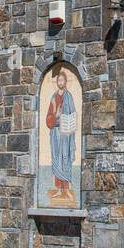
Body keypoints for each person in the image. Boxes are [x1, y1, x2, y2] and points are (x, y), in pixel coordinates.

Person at [45, 70, 78, 204]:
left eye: (63, 80)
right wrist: (55, 115)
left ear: (65, 82)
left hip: (66, 134)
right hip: (56, 133)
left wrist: (67, 120)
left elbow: (73, 114)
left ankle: (67, 189)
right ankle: (58, 189)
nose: (60, 83)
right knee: (57, 160)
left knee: (66, 158)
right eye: (58, 80)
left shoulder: (69, 96)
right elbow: (48, 118)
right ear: (57, 82)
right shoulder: (53, 97)